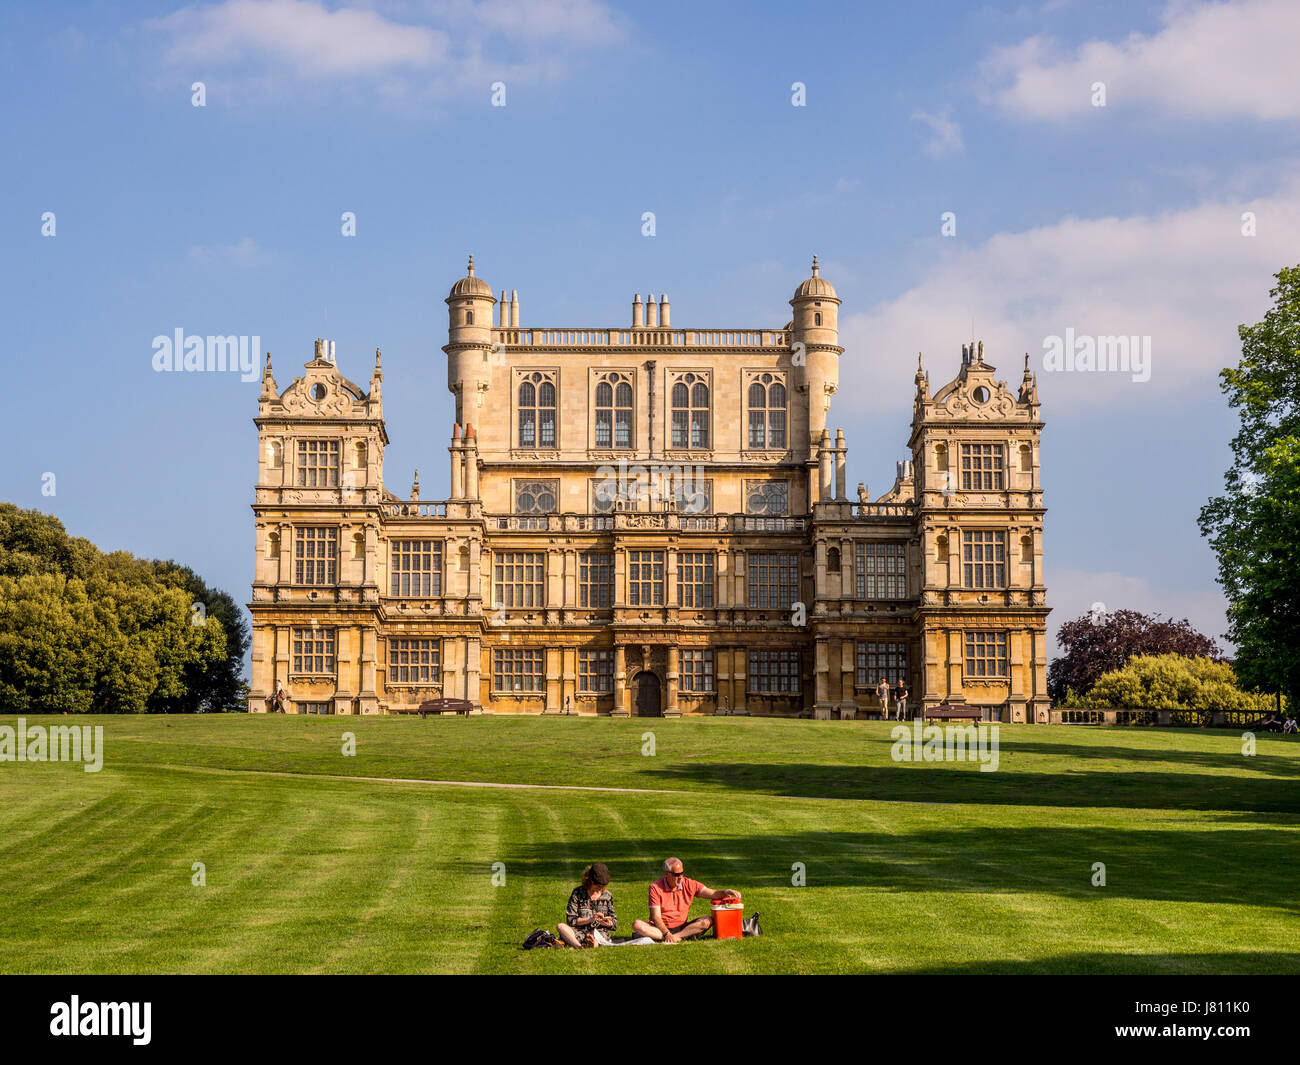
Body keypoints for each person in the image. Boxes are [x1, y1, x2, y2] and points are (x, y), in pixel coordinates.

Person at [631, 858, 737, 943]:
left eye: (682, 873)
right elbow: (656, 917)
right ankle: (676, 937)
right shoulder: (655, 887)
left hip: (682, 928)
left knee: (708, 920)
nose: (680, 877)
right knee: (637, 925)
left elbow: (712, 893)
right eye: (676, 875)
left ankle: (674, 938)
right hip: (660, 928)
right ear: (667, 874)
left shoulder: (689, 884)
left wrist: (726, 891)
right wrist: (666, 933)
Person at [557, 863, 618, 948]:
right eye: (598, 884)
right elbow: (571, 920)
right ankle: (579, 946)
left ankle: (592, 943)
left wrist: (608, 923)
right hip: (579, 931)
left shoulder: (607, 896)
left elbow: (614, 922)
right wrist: (590, 920)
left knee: (597, 936)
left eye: (603, 885)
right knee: (561, 926)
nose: (600, 887)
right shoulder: (578, 893)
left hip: (599, 932)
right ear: (590, 880)